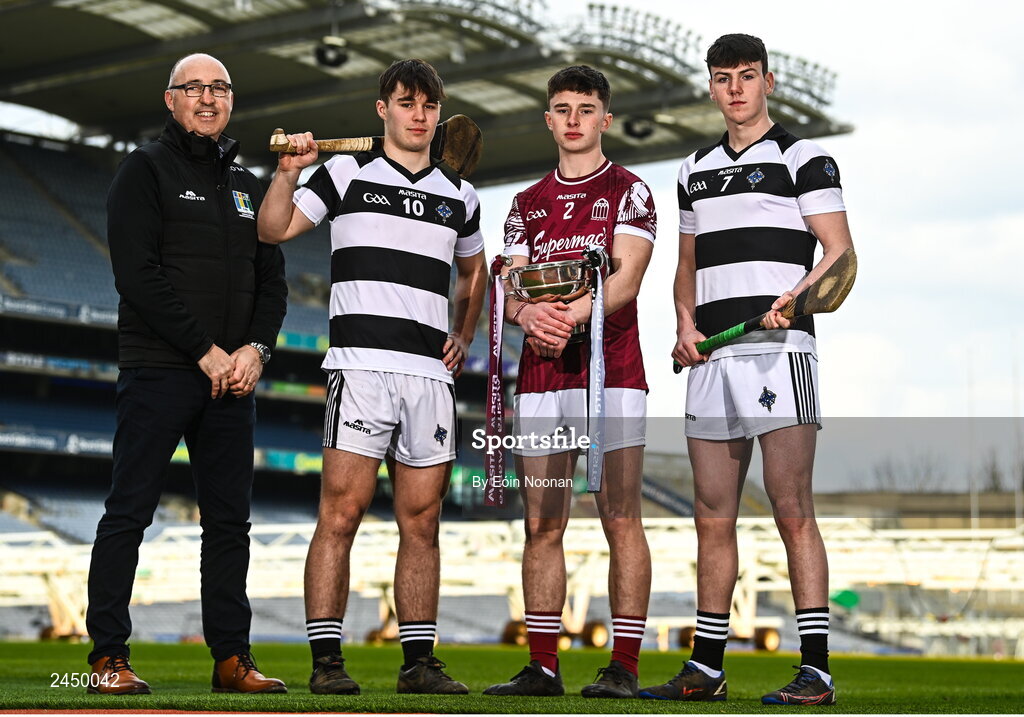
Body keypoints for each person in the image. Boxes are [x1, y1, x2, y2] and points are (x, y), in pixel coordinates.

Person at [257, 58, 487, 696]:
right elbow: (273, 229)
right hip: (358, 370)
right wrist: (286, 172)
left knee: (423, 521)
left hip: (427, 378)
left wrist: (464, 333)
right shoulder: (344, 172)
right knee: (341, 513)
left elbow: (474, 273)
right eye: (407, 102)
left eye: (429, 106)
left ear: (439, 116)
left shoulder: (460, 197)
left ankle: (418, 664)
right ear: (381, 108)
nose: (419, 115)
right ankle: (327, 662)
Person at [639, 34, 853, 706]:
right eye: (724, 77)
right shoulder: (693, 167)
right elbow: (686, 265)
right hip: (713, 356)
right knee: (711, 514)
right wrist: (682, 323)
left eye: (747, 75)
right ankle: (705, 667)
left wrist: (797, 296)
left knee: (792, 508)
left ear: (768, 81)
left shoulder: (803, 157)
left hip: (778, 353)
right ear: (711, 86)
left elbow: (840, 253)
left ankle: (815, 670)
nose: (736, 88)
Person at [86, 53, 288, 695]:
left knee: (229, 524)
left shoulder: (249, 185)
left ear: (232, 101)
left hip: (233, 380)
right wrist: (205, 350)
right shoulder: (143, 169)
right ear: (170, 100)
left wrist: (255, 349)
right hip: (160, 371)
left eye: (219, 88)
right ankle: (105, 659)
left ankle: (232, 660)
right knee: (129, 511)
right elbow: (136, 276)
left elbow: (273, 286)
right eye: (194, 88)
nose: (207, 98)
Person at [483, 65, 656, 699]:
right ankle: (543, 667)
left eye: (587, 108)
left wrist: (563, 317)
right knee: (542, 523)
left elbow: (627, 280)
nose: (575, 118)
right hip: (543, 377)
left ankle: (625, 667)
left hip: (614, 375)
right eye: (563, 108)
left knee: (620, 516)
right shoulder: (524, 204)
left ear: (605, 118)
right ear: (549, 120)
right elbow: (512, 284)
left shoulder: (632, 190)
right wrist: (532, 316)